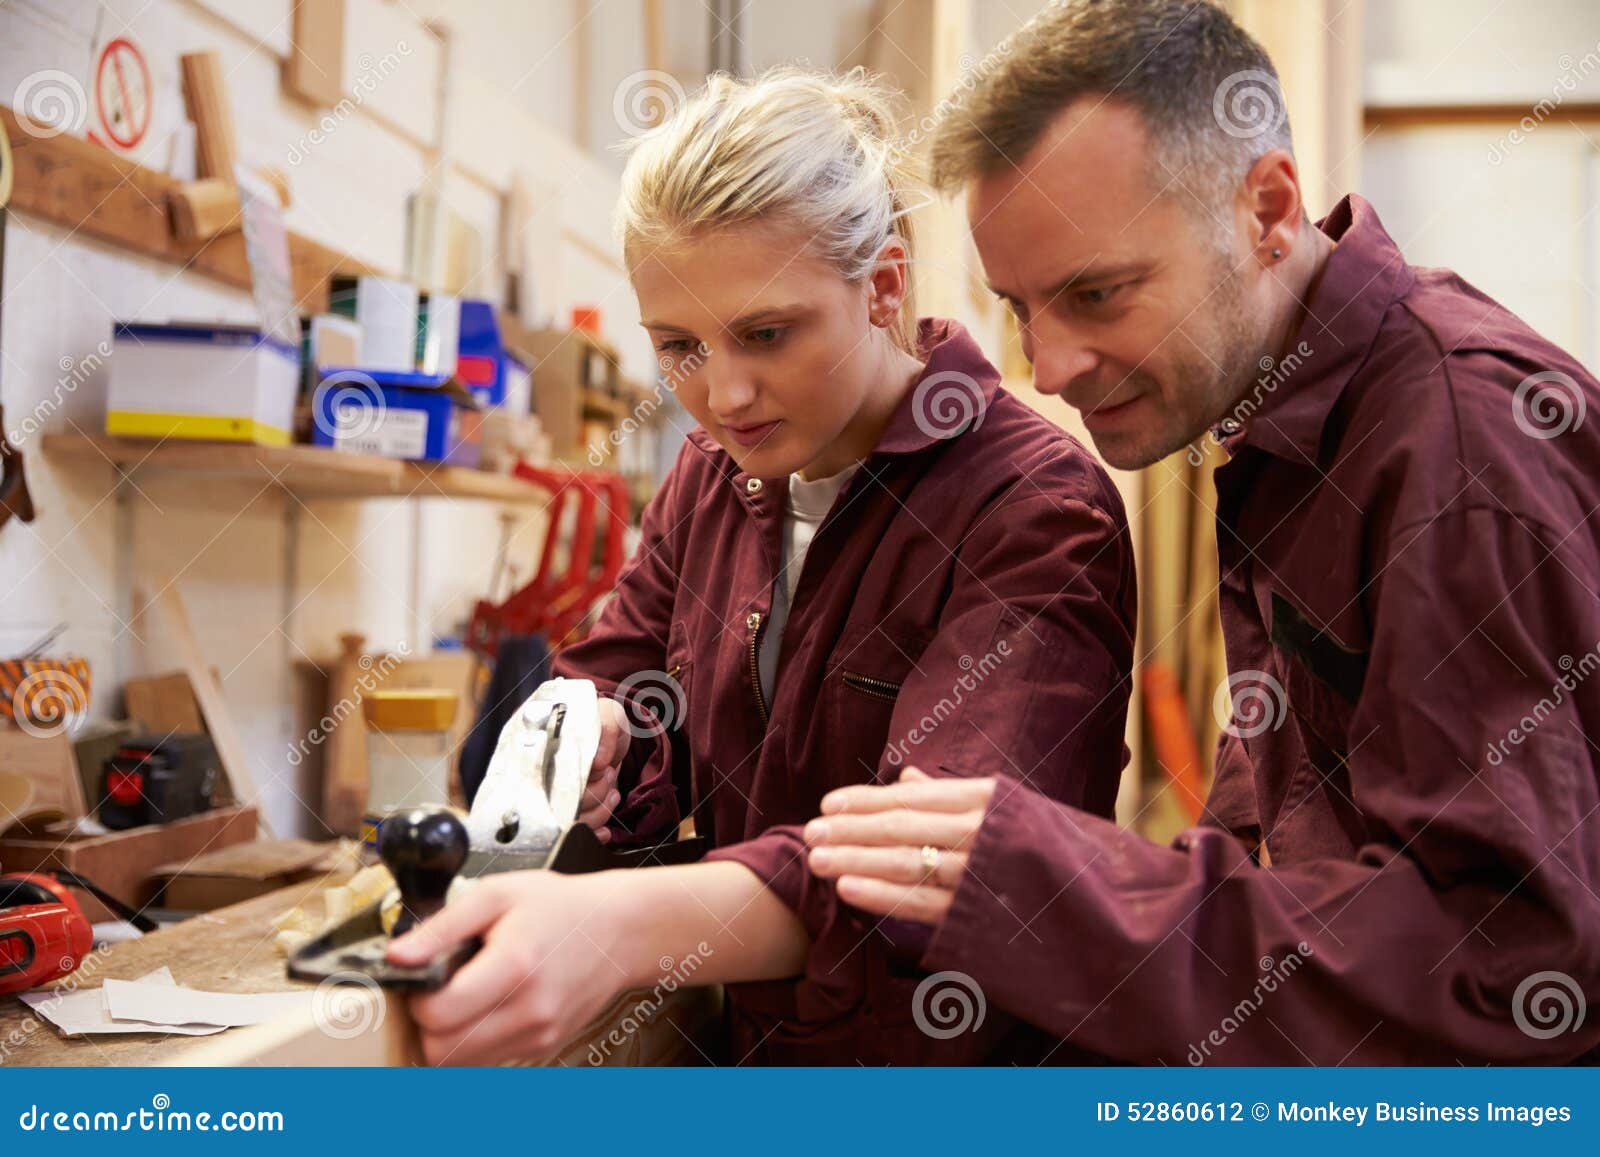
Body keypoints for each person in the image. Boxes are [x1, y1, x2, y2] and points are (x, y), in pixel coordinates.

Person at [804, 0, 1600, 1064]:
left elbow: (1506, 964)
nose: (1050, 368)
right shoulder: (1289, 422)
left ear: (1267, 209)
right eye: (1018, 307)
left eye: (1097, 293)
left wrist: (1077, 892)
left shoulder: (1456, 453)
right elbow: (1294, 790)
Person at [386, 68, 1137, 1065]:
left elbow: (925, 867)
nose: (721, 392)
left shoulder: (1034, 508)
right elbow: (608, 666)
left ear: (881, 288)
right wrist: (601, 740)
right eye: (678, 345)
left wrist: (612, 928)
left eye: (767, 333)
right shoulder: (714, 474)